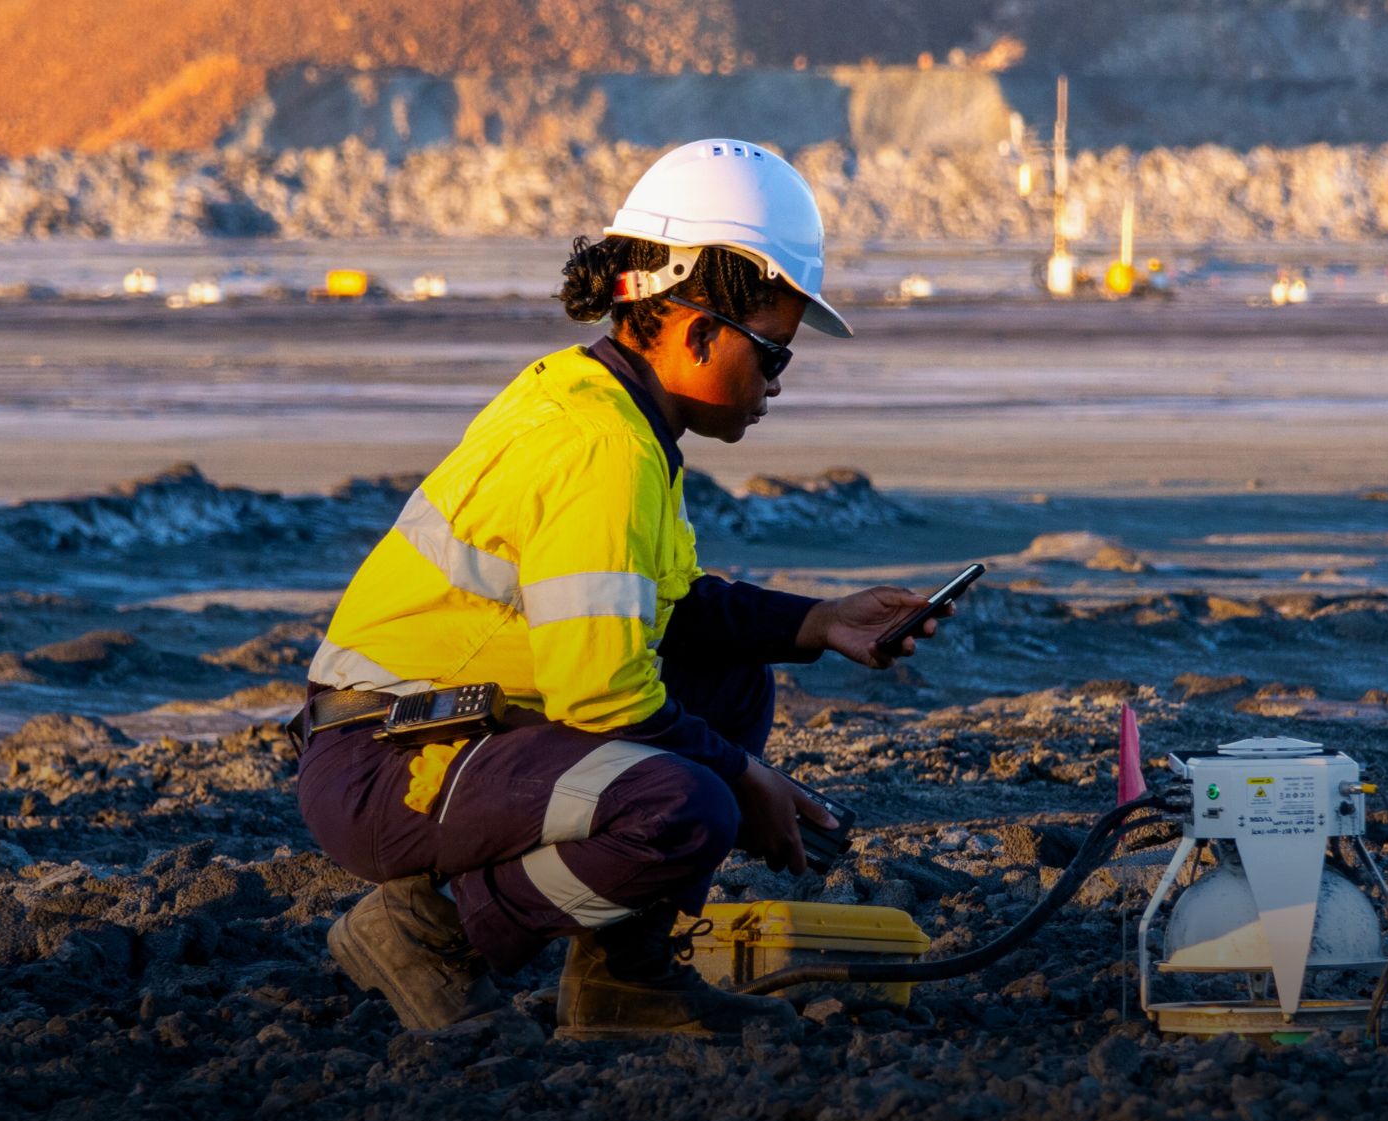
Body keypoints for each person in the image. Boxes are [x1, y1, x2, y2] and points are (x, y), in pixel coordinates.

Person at [292, 139, 949, 1040]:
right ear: (697, 329)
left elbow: (669, 613)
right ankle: (428, 932)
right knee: (682, 808)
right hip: (393, 762)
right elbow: (603, 692)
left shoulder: (613, 416)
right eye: (773, 356)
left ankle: (620, 981)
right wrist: (748, 777)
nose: (777, 386)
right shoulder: (601, 448)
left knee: (731, 681)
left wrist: (820, 623)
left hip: (445, 731)